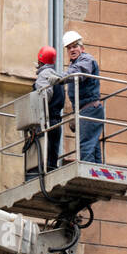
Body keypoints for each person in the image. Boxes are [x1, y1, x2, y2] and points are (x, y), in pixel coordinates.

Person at [61, 30, 104, 163]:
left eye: (75, 46)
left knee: (85, 146)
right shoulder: (75, 64)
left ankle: (89, 175)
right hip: (87, 110)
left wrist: (59, 77)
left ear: (82, 48)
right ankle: (97, 173)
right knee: (92, 145)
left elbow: (79, 73)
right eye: (69, 48)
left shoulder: (86, 59)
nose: (72, 49)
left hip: (90, 109)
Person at [25, 45, 64, 181]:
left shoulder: (43, 75)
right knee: (52, 159)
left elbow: (44, 96)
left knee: (41, 160)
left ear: (40, 61)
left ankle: (37, 179)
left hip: (45, 122)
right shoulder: (57, 76)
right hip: (56, 122)